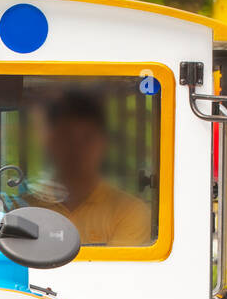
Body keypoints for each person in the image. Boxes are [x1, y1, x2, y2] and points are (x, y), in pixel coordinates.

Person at [31, 91, 152, 247]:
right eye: (66, 137)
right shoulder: (28, 207)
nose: (76, 148)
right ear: (50, 142)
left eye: (87, 138)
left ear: (103, 144)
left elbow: (121, 271)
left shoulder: (131, 211)